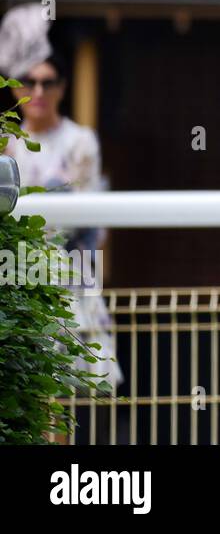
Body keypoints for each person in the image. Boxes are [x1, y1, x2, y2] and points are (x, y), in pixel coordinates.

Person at [2, 46, 121, 392]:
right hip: (16, 276)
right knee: (25, 388)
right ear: (16, 86)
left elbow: (90, 222)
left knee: (73, 387)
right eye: (29, 81)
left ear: (62, 87)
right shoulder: (7, 142)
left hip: (71, 275)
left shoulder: (80, 141)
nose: (38, 91)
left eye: (48, 82)